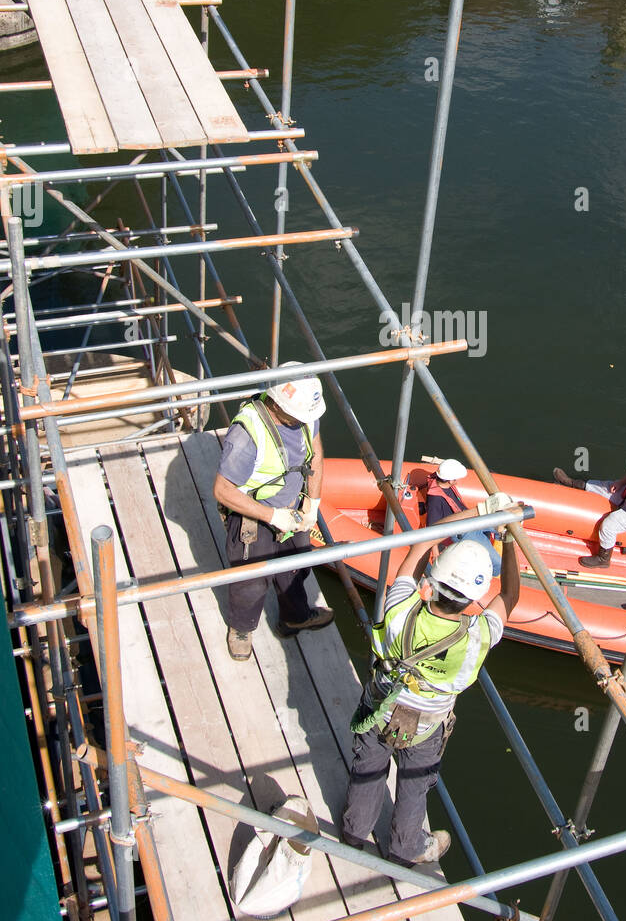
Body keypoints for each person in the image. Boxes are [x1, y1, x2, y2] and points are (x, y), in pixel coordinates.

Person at [340, 494, 520, 867]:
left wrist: (481, 513)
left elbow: (428, 538)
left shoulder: (400, 607)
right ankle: (404, 850)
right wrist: (509, 536)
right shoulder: (477, 637)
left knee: (368, 769)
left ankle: (354, 832)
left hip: (379, 709)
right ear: (473, 598)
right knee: (414, 786)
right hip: (425, 727)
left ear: (432, 580)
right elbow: (510, 595)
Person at [213, 366, 332, 661]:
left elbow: (315, 451)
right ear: (278, 405)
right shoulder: (247, 435)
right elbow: (223, 491)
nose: (308, 421)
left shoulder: (304, 414)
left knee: (296, 568)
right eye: (301, 416)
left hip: (293, 508)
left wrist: (312, 503)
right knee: (250, 579)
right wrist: (271, 516)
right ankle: (241, 628)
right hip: (255, 516)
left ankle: (295, 617)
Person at [553, 456, 626, 569]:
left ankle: (603, 559)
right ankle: (572, 483)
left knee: (609, 525)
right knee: (604, 487)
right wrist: (620, 483)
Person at [422, 458, 502, 574]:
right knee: (498, 563)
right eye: (456, 478)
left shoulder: (443, 484)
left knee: (502, 522)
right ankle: (493, 572)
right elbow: (432, 527)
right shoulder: (435, 501)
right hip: (462, 532)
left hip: (469, 519)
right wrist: (435, 553)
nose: (458, 481)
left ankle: (496, 539)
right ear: (449, 480)